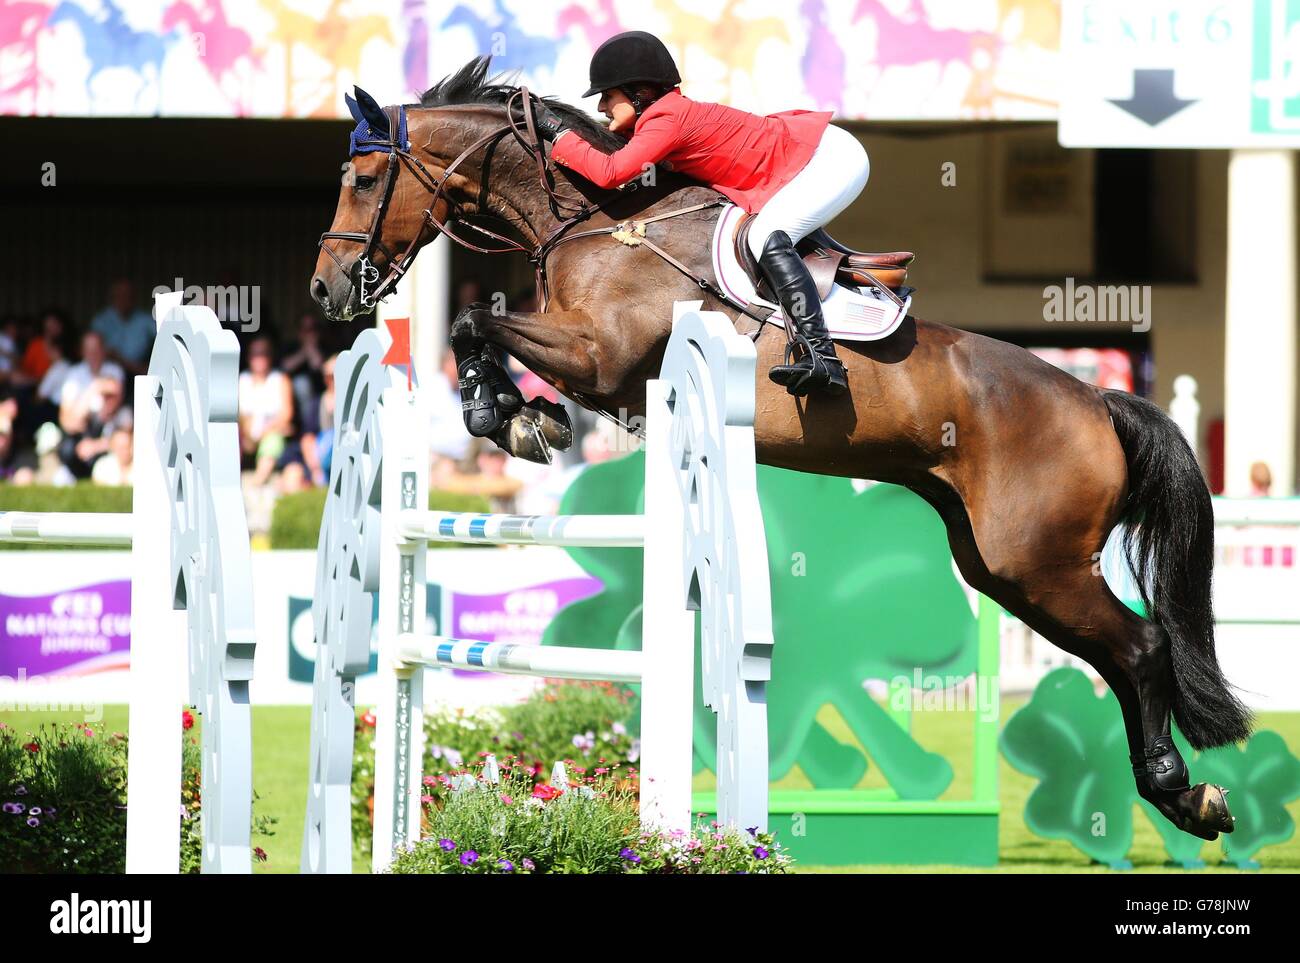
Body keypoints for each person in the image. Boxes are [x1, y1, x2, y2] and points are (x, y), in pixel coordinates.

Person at [538, 30, 868, 397]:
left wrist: (557, 134)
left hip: (831, 161)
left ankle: (823, 358)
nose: (601, 107)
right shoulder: (661, 118)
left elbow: (610, 173)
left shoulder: (666, 119)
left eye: (607, 95)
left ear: (640, 92)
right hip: (811, 159)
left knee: (766, 239)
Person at [238, 337, 294, 487]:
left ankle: (257, 482)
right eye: (256, 354)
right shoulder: (241, 380)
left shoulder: (280, 379)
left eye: (264, 354)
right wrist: (248, 432)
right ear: (249, 357)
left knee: (272, 442)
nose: (259, 358)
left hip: (271, 431)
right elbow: (238, 413)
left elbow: (287, 413)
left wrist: (265, 430)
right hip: (245, 434)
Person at [90, 279, 155, 376]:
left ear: (133, 298)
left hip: (139, 372)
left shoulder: (145, 320)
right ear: (112, 298)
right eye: (119, 295)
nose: (123, 299)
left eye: (127, 296)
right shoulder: (102, 321)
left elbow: (163, 337)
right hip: (108, 372)